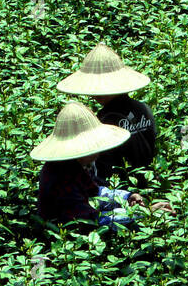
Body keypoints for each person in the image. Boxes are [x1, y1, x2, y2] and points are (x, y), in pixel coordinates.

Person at [32, 102, 168, 228]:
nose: (98, 151)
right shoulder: (60, 178)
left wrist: (127, 197)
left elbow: (97, 192)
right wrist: (145, 213)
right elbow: (92, 221)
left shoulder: (76, 164)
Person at [57, 44, 157, 190]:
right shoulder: (144, 108)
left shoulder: (104, 118)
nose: (93, 94)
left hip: (119, 191)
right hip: (148, 183)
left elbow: (101, 164)